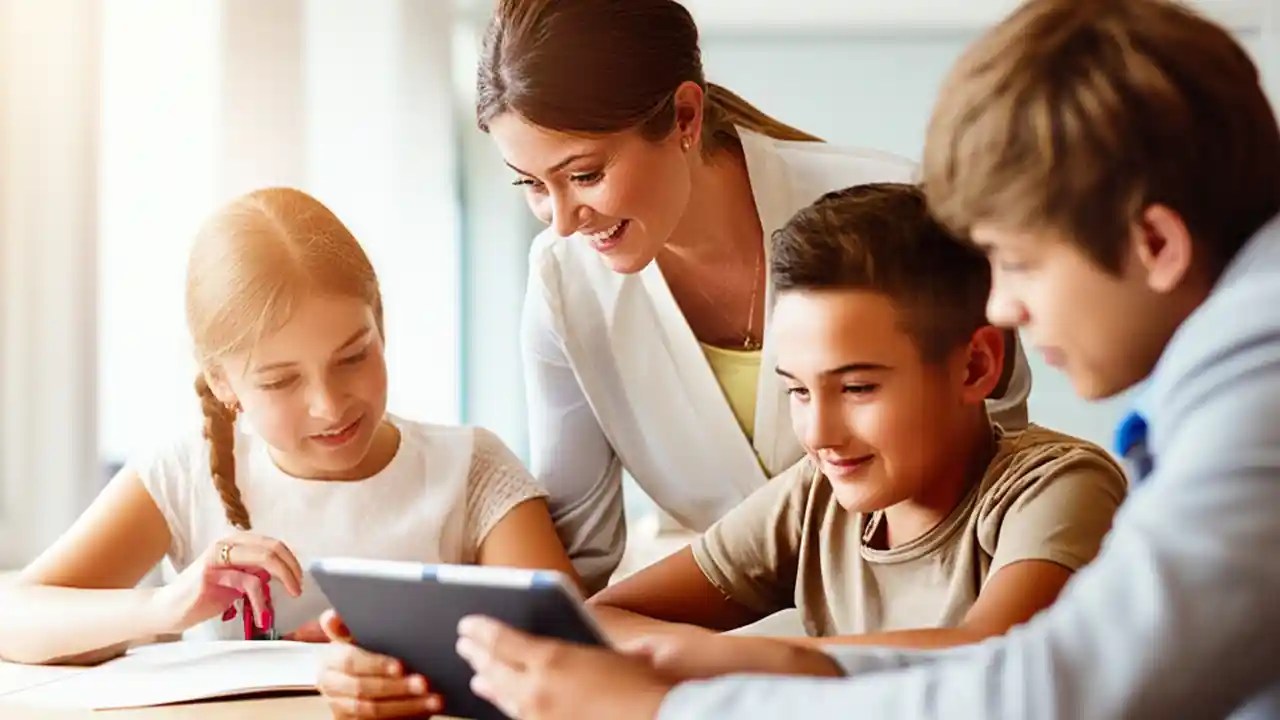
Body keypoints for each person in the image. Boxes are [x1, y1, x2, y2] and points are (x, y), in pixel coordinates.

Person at [446, 1, 1280, 718]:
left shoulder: (1255, 368)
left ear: (1156, 243)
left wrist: (674, 703)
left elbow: (1050, 681)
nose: (1002, 307)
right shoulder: (1236, 350)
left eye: (1019, 264)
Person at [477, 0, 1033, 591]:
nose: (562, 221)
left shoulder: (903, 213)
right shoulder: (563, 283)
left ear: (685, 117)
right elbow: (577, 559)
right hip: (725, 626)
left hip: (937, 608)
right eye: (531, 183)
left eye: (585, 175)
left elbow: (999, 466)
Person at [0, 188, 575, 717]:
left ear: (380, 325)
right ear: (222, 382)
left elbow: (570, 654)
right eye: (280, 382)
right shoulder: (183, 472)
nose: (329, 405)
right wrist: (165, 606)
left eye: (353, 357)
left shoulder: (472, 468)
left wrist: (402, 652)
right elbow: (14, 619)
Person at [587, 183, 1126, 647]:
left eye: (857, 388)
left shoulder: (1060, 487)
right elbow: (601, 620)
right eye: (798, 391)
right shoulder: (814, 496)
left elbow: (986, 660)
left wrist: (746, 662)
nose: (818, 435)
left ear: (975, 367)